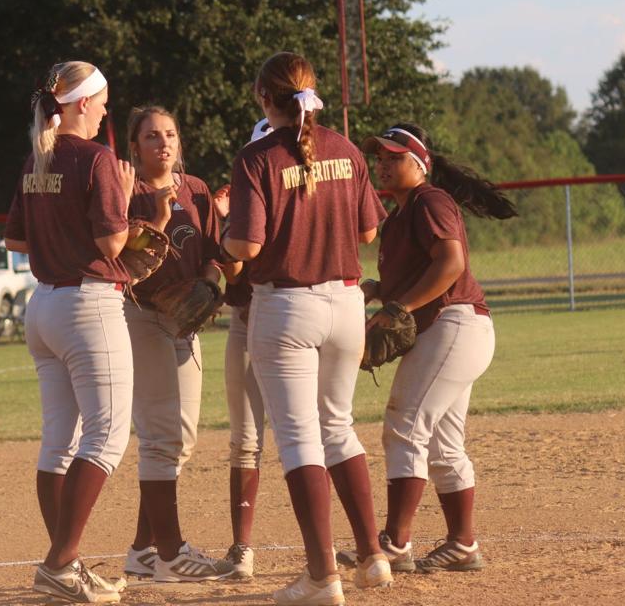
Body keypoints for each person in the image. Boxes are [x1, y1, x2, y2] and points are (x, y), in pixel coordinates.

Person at [225, 52, 391, 606]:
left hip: (287, 306)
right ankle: (372, 557)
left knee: (299, 439)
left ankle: (322, 577)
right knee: (338, 426)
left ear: (262, 97)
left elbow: (246, 247)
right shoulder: (344, 147)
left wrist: (219, 242)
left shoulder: (256, 157)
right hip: (346, 302)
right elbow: (369, 232)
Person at [4, 61, 136, 604]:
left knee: (59, 441)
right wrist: (125, 200)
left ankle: (69, 563)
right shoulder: (96, 157)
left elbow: (16, 243)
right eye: (101, 100)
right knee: (107, 438)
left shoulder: (38, 156)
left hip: (44, 307)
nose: (106, 108)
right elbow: (112, 246)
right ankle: (60, 561)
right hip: (89, 305)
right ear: (82, 102)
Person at [358, 122, 517, 574]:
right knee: (444, 444)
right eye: (380, 157)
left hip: (455, 325)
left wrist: (395, 307)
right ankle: (462, 544)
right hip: (451, 332)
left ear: (419, 163)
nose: (383, 164)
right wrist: (375, 289)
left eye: (393, 156)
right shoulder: (401, 217)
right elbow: (407, 279)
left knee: (405, 423)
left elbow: (451, 263)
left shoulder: (430, 201)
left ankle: (395, 543)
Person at [119, 105, 235, 583]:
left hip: (184, 324)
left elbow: (213, 255)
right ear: (135, 147)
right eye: (151, 136)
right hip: (142, 315)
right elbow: (119, 255)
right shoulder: (128, 193)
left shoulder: (198, 191)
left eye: (169, 134)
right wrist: (159, 218)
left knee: (181, 440)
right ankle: (170, 553)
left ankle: (144, 550)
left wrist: (209, 284)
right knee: (160, 436)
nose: (162, 143)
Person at [213, 117, 273, 582]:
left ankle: (334, 547)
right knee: (246, 439)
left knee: (318, 433)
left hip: (291, 320)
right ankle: (243, 549)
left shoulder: (304, 193)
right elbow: (233, 267)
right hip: (246, 322)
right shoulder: (239, 197)